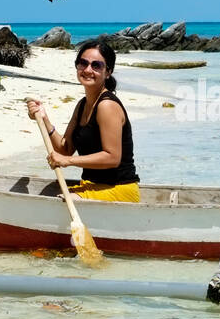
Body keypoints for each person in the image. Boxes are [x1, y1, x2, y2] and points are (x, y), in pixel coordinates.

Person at [25, 39, 141, 202]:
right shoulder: (82, 105)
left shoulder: (107, 105)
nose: (88, 70)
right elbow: (65, 149)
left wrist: (68, 161)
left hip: (119, 190)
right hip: (92, 185)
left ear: (108, 72)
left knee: (58, 202)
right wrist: (44, 119)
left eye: (96, 65)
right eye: (83, 63)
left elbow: (112, 157)